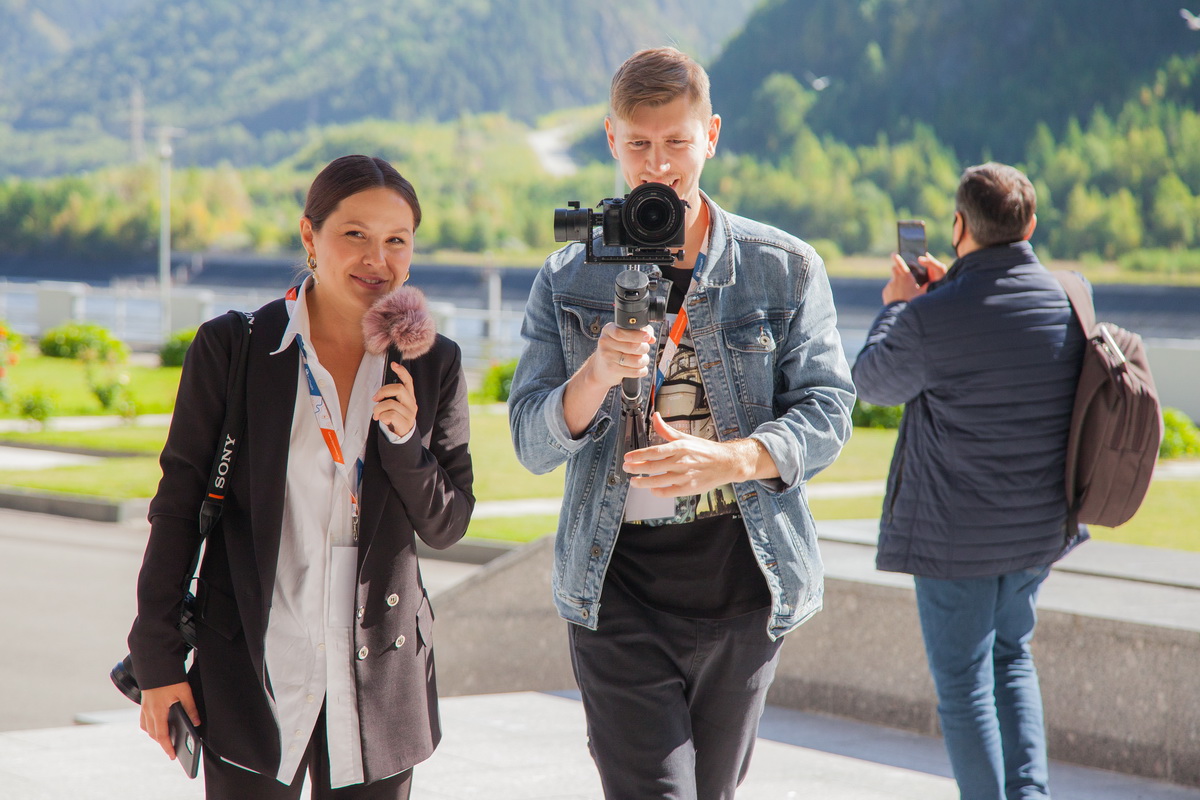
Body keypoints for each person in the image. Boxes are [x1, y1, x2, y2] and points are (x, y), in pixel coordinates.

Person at [508, 47, 855, 799]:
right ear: (611, 139)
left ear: (712, 136)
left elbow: (829, 410)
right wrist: (596, 371)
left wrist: (732, 460)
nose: (657, 165)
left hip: (746, 576)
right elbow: (530, 440)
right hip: (615, 583)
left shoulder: (784, 268)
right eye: (639, 144)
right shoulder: (568, 276)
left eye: (676, 143)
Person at [127, 155, 475, 799]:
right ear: (310, 236)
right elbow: (176, 509)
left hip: (380, 677)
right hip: (251, 669)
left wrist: (402, 441)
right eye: (356, 235)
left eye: (397, 240)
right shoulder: (233, 348)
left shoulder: (433, 363)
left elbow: (448, 523)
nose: (378, 258)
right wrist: (156, 663)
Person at [851, 162, 1087, 800]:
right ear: (1029, 225)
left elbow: (872, 383)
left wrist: (899, 309)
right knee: (1013, 660)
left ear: (958, 226)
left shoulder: (931, 318)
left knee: (963, 688)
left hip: (956, 541)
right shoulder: (1070, 297)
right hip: (1039, 529)